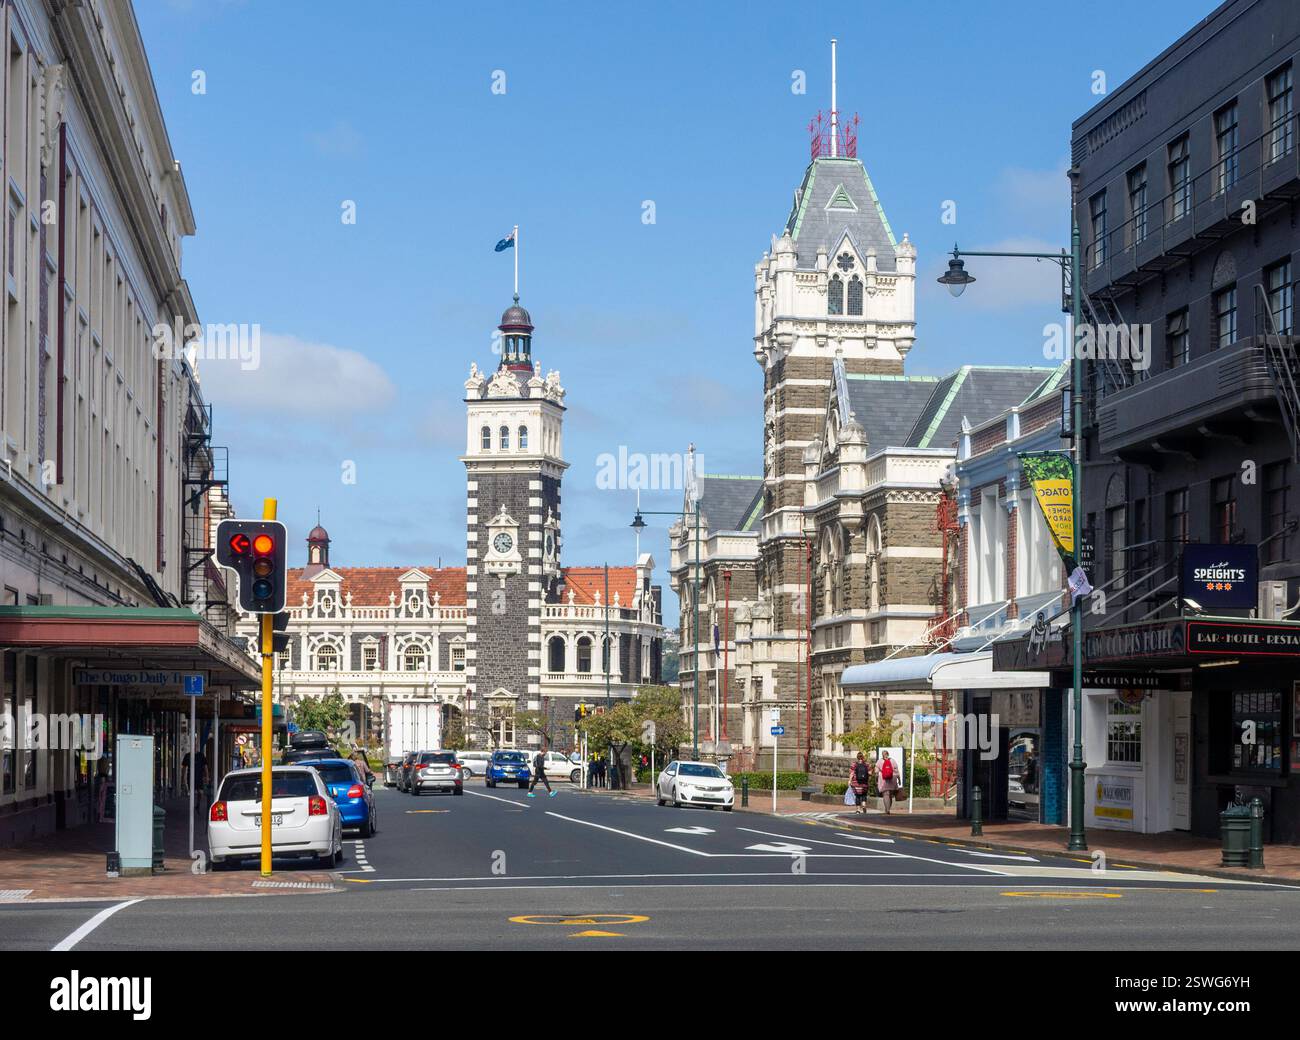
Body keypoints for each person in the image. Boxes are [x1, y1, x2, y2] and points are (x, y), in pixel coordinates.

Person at [877, 749, 900, 814]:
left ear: (882, 755)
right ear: (888, 754)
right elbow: (897, 771)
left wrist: (876, 779)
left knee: (885, 794)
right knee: (890, 795)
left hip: (883, 779)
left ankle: (887, 809)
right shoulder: (893, 761)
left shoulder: (879, 761)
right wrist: (899, 779)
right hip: (892, 779)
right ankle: (888, 808)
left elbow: (876, 771)